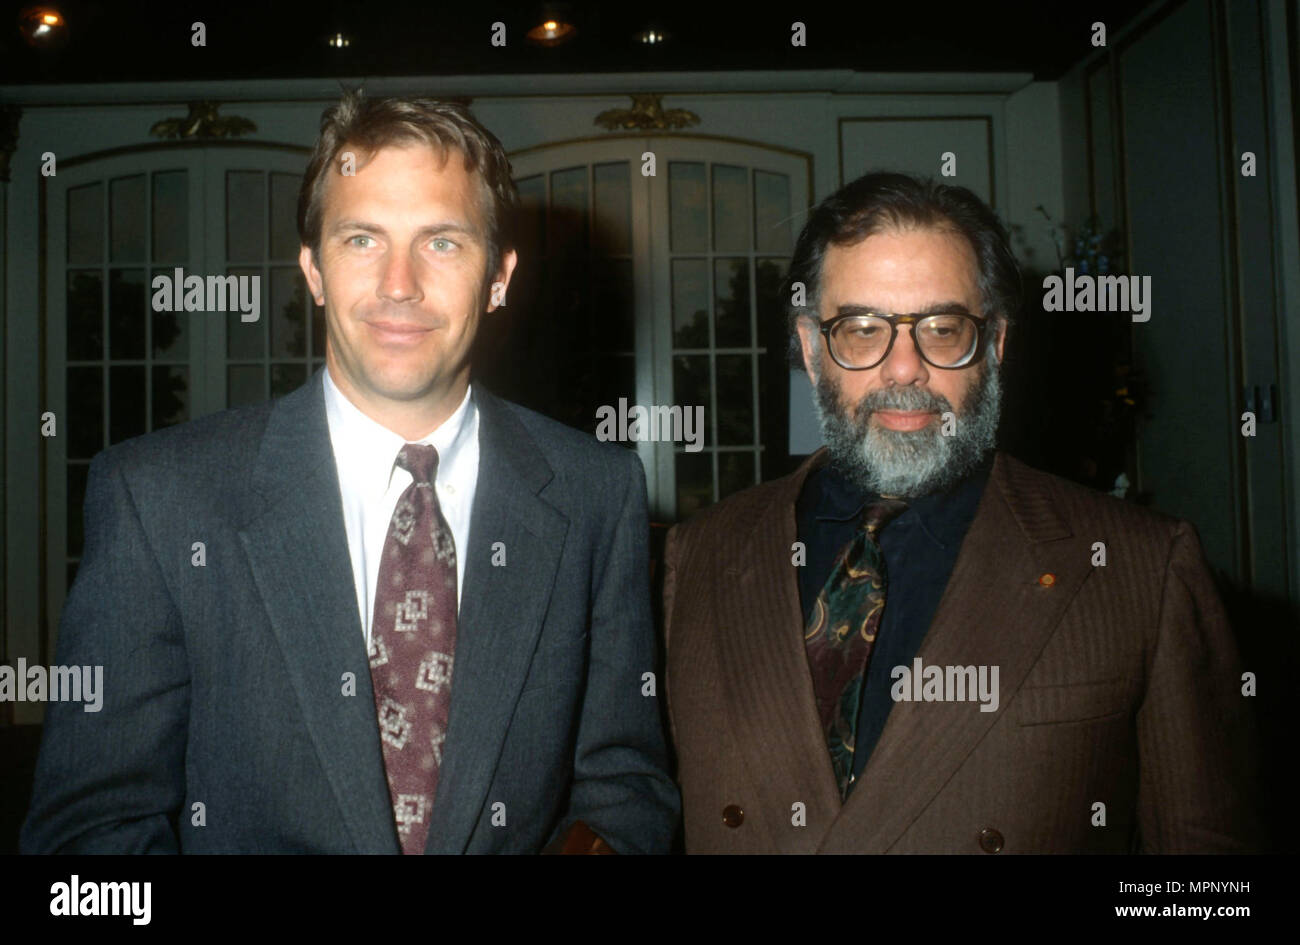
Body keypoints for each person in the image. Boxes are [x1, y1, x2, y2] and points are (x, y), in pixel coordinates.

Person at [21, 91, 678, 854]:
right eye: (363, 238)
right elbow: (88, 841)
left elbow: (627, 791)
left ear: (499, 278)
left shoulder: (597, 493)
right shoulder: (159, 499)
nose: (399, 282)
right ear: (314, 269)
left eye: (442, 242)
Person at [662, 172, 1259, 854]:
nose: (904, 367)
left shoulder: (1139, 569)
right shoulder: (697, 556)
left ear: (996, 345)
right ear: (809, 347)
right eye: (861, 330)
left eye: (943, 329)